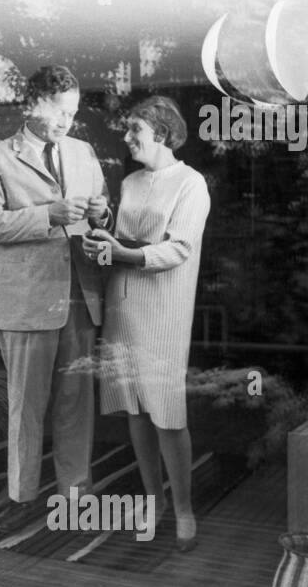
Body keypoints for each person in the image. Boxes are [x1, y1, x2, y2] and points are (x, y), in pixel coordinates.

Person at [0, 65, 113, 535]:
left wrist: (102, 210)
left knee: (76, 400)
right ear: (33, 105)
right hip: (25, 301)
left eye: (73, 113)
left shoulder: (82, 152)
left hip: (80, 295)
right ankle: (21, 496)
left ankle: (74, 494)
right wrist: (49, 215)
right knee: (26, 405)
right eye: (61, 112)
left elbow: (99, 207)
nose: (67, 122)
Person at [82, 95, 211, 551]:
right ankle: (153, 500)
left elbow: (179, 248)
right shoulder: (132, 181)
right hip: (123, 304)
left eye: (135, 129)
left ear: (160, 132)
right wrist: (104, 227)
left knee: (167, 411)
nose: (127, 137)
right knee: (135, 407)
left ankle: (184, 510)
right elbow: (126, 231)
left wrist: (125, 253)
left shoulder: (191, 184)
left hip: (163, 309)